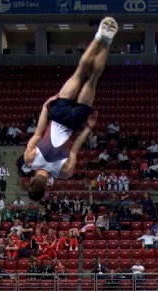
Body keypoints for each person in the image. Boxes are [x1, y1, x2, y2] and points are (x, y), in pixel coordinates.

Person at [24, 17, 119, 202]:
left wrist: (88, 128)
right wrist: (45, 108)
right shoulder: (30, 159)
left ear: (46, 190)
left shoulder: (64, 173)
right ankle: (100, 36)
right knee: (80, 71)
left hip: (74, 122)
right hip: (57, 115)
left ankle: (107, 41)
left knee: (94, 78)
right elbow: (38, 133)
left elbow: (75, 148)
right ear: (31, 181)